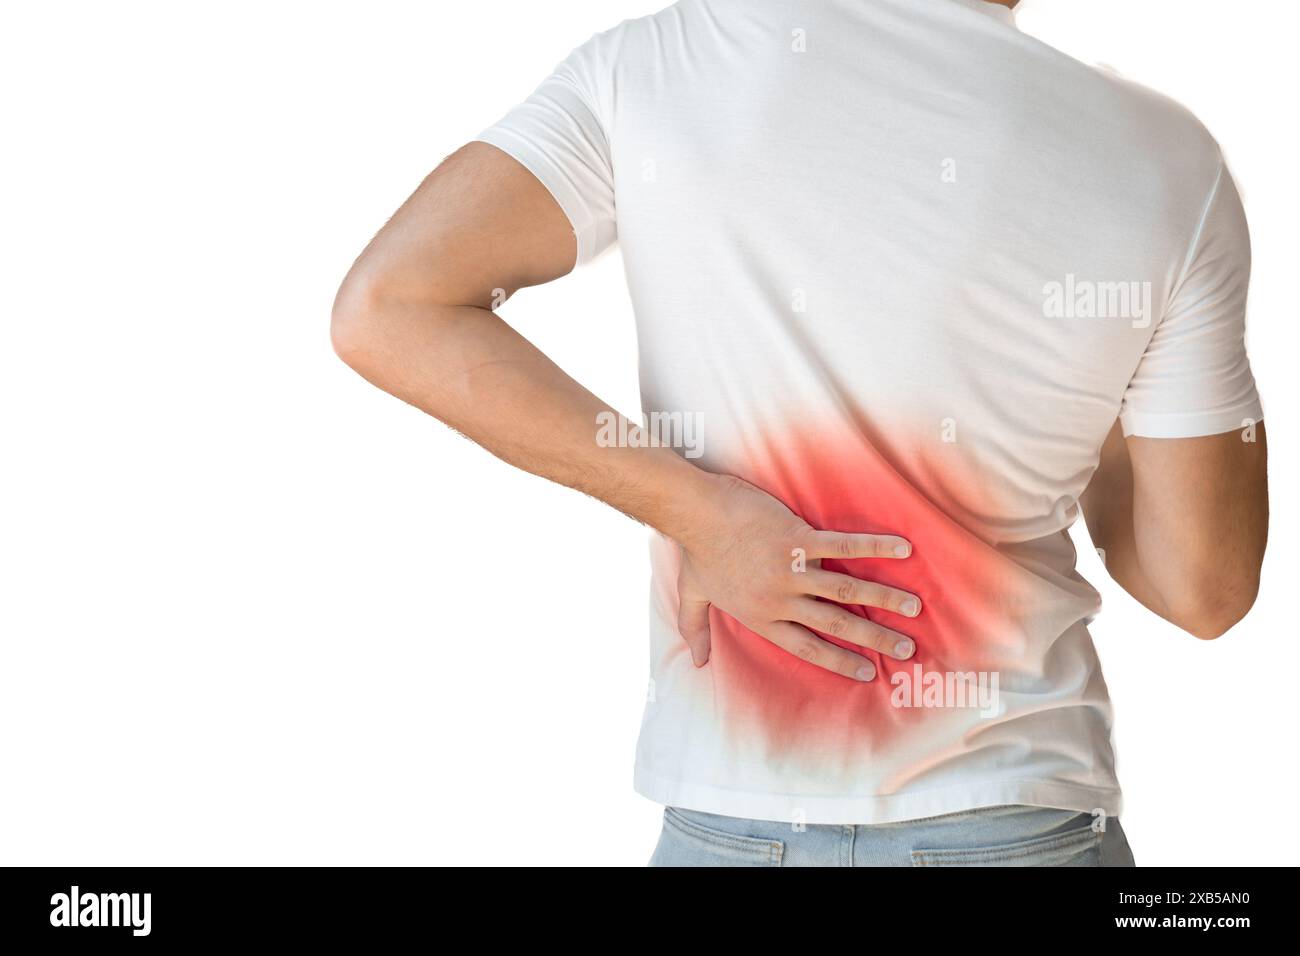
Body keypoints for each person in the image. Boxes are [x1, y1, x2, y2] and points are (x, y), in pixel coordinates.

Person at [331, 0, 1268, 866]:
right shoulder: (1165, 159)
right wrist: (1092, 416)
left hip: (731, 813)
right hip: (1020, 811)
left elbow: (390, 306)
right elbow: (1204, 588)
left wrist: (702, 511)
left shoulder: (671, 58)